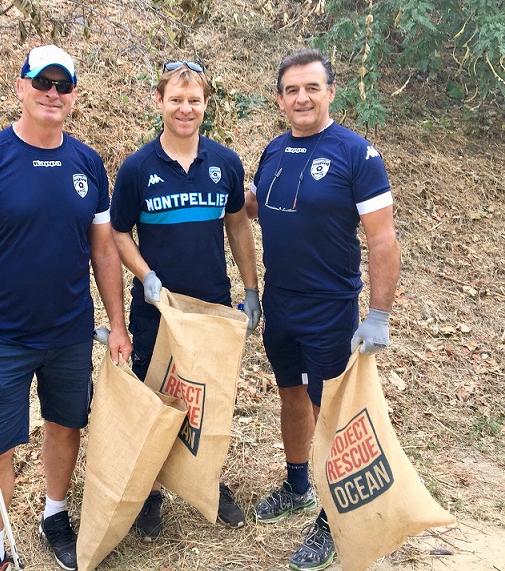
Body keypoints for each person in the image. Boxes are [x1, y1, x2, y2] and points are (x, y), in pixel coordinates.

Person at [0, 44, 132, 571]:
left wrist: (117, 324)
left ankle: (55, 515)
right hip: (2, 337)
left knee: (65, 424)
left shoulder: (87, 162)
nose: (52, 93)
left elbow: (104, 250)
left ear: (73, 95)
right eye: (42, 82)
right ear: (20, 86)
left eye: (63, 86)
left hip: (70, 332)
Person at [245, 48, 401, 570]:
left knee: (332, 413)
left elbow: (383, 239)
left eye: (312, 87)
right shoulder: (273, 150)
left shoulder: (357, 154)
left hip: (330, 308)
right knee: (291, 394)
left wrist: (378, 314)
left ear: (331, 92)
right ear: (279, 99)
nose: (302, 98)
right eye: (292, 89)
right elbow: (257, 207)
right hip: (280, 302)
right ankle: (298, 485)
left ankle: (333, 519)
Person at [110, 60, 262, 540]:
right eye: (175, 99)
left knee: (208, 399)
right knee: (158, 398)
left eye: (194, 100)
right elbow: (118, 233)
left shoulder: (225, 163)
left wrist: (251, 289)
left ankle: (208, 483)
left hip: (211, 306)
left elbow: (237, 225)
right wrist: (146, 275)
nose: (185, 108)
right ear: (159, 102)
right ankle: (151, 493)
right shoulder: (137, 169)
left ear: (205, 105)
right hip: (157, 309)